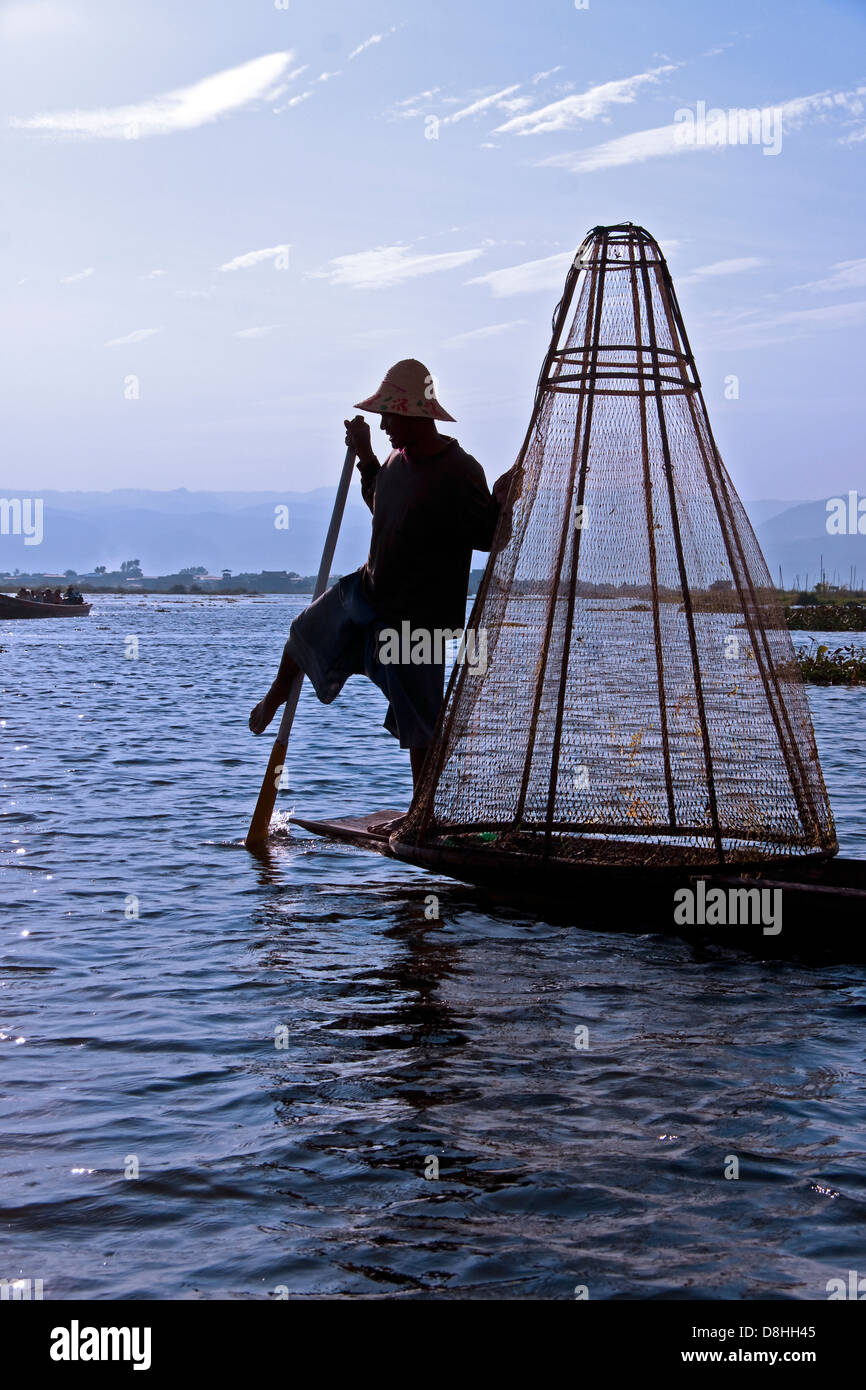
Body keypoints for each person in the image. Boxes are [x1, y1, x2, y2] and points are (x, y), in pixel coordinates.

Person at [249, 358, 516, 822]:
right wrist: (366, 456)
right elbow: (380, 501)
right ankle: (276, 693)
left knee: (420, 720)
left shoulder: (458, 471)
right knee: (304, 631)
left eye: (388, 417)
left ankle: (421, 813)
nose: (384, 425)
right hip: (370, 591)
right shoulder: (395, 461)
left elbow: (488, 537)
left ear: (414, 415)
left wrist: (502, 497)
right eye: (381, 418)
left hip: (419, 616)